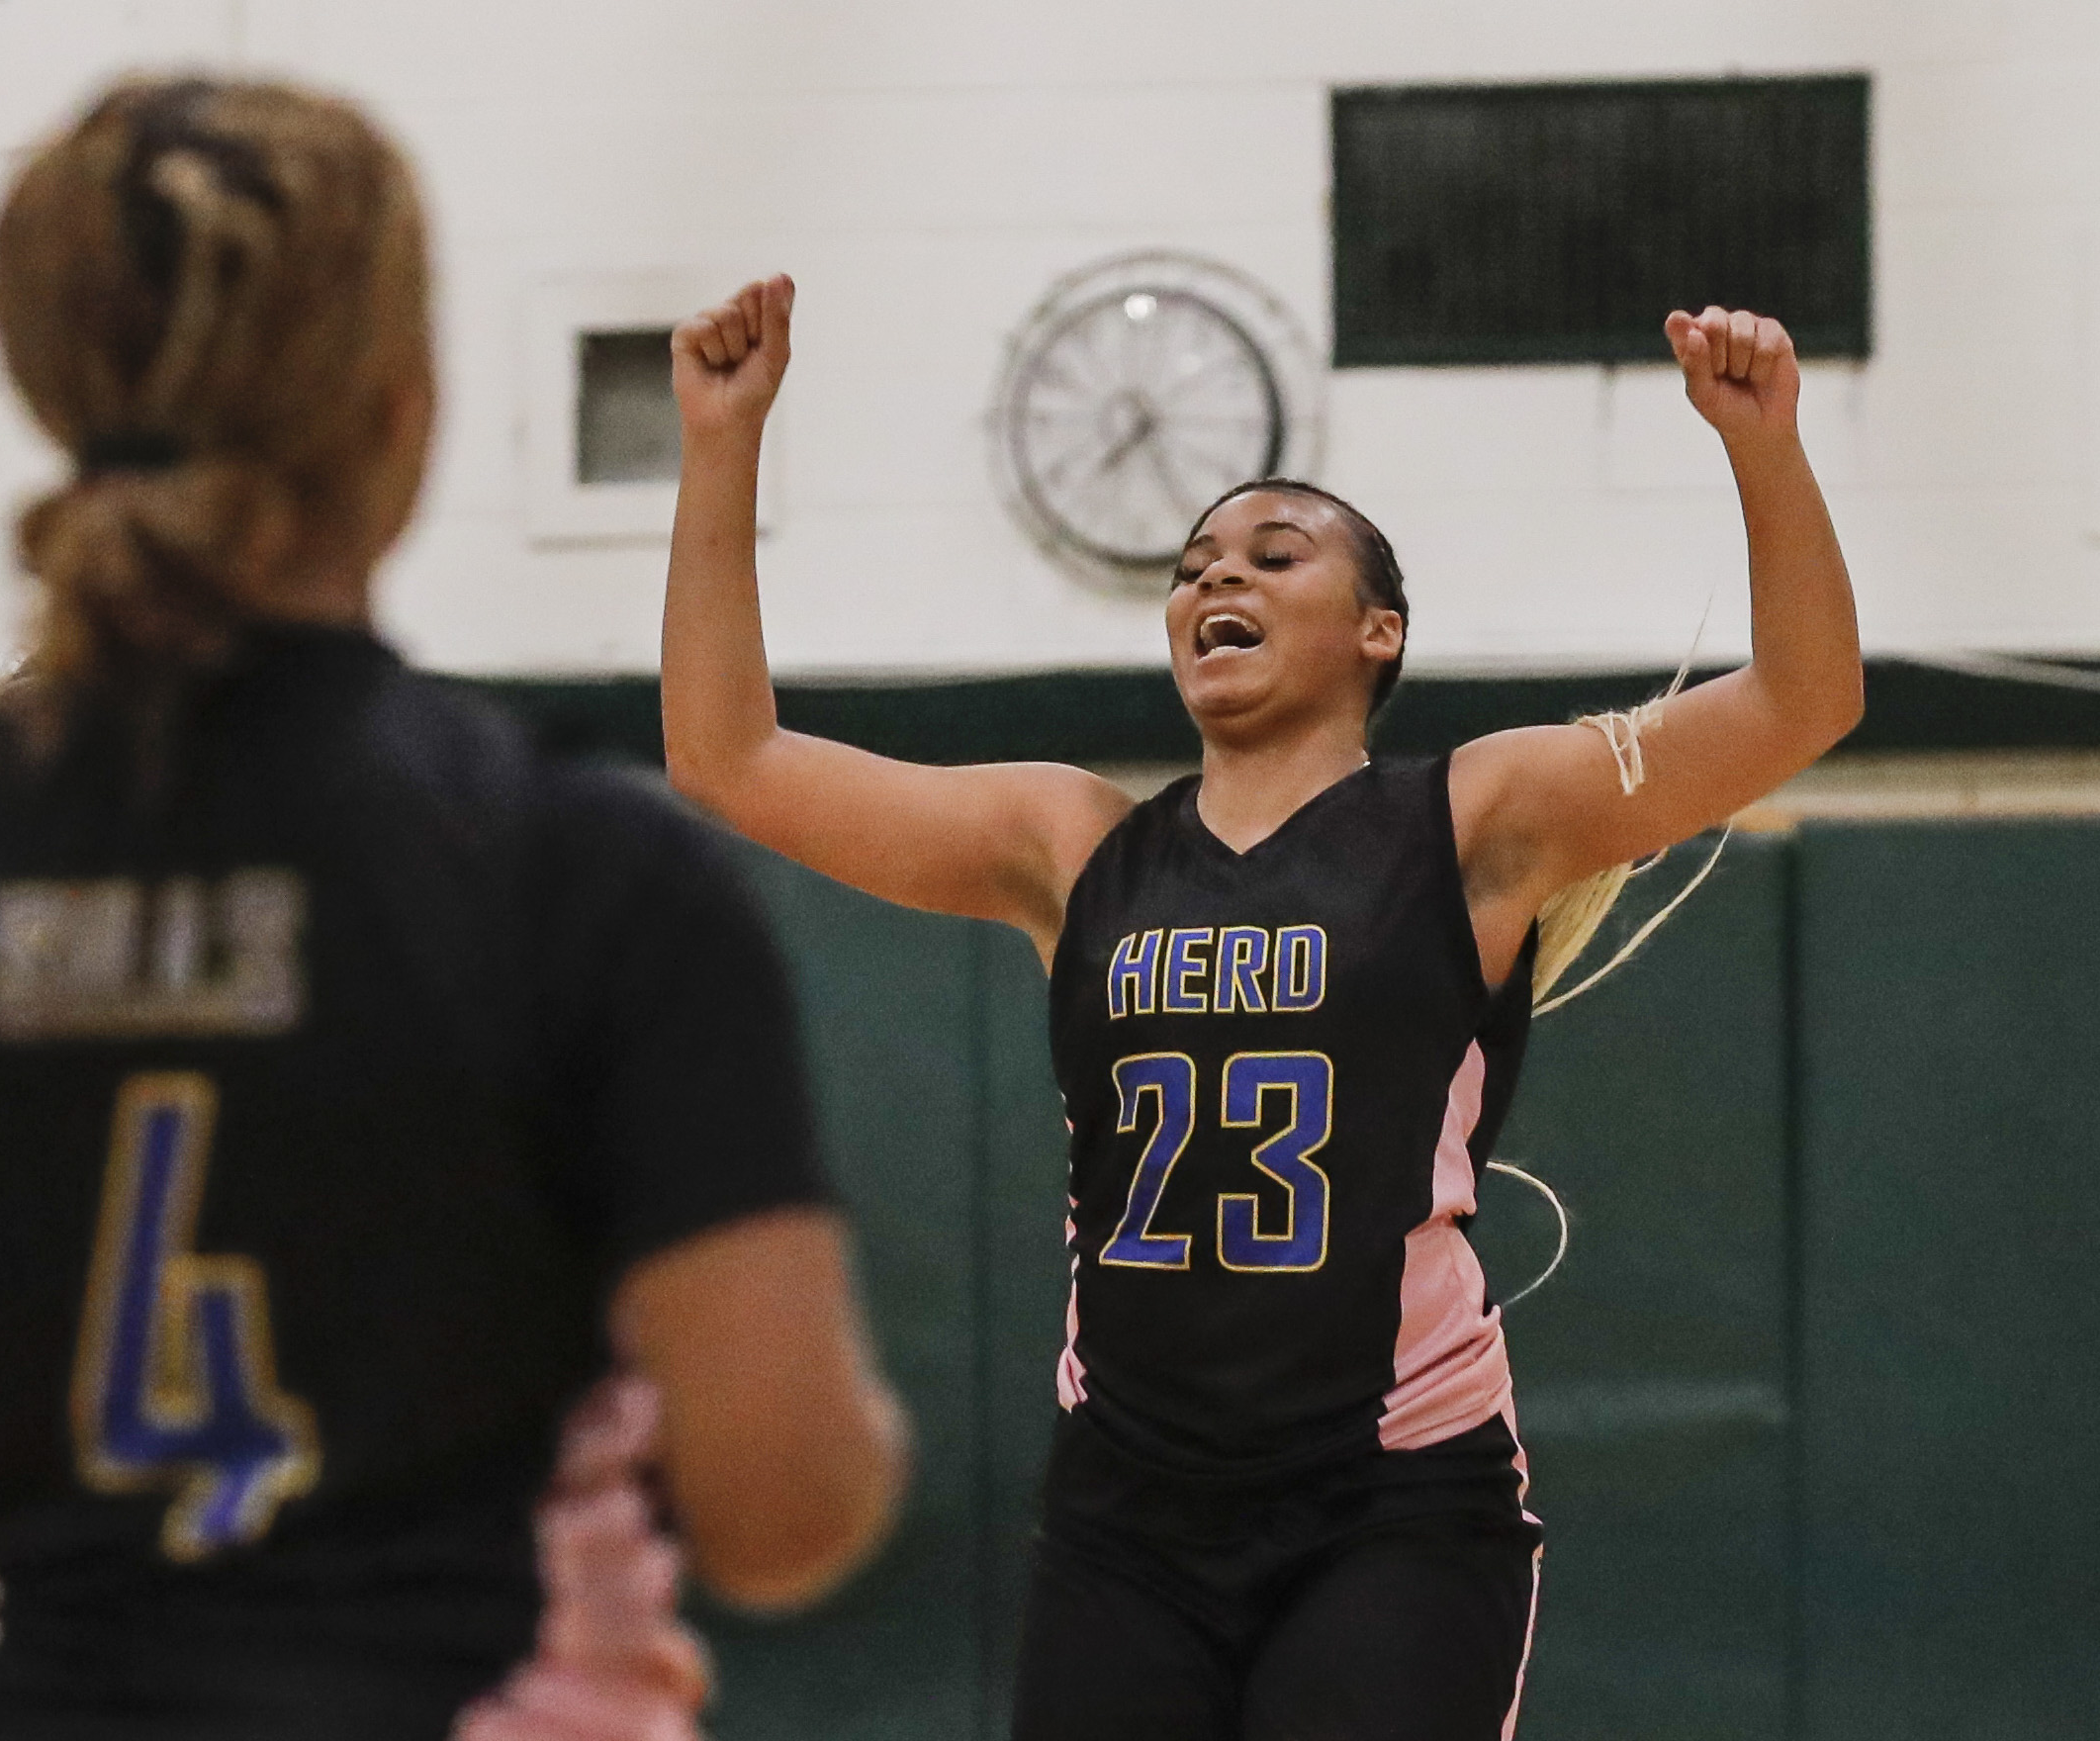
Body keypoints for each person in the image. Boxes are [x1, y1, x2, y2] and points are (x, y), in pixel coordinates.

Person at [0, 78, 907, 1741]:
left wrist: (99, 1456)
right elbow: (789, 1507)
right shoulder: (582, 874)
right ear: (406, 415)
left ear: (56, 396)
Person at [659, 276, 1861, 1739]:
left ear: (1376, 633)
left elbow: (1803, 698)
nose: (1213, 579)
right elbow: (727, 759)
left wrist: (1763, 447)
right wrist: (721, 445)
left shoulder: (1470, 818)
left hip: (1392, 1503)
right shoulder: (1073, 844)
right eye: (1190, 564)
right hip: (1128, 1514)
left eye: (1272, 553)